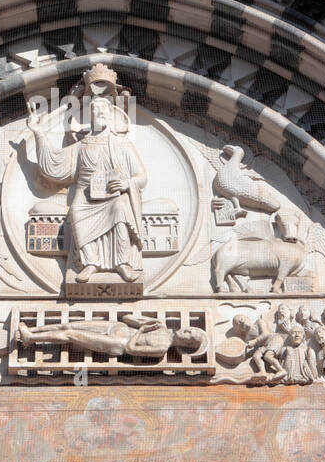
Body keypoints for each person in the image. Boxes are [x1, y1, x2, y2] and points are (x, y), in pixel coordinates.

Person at [27, 90, 147, 283]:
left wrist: (127, 183)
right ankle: (90, 262)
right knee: (75, 211)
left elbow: (141, 177)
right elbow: (54, 165)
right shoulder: (82, 145)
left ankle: (123, 263)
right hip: (86, 196)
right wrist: (39, 132)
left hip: (114, 196)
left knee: (120, 209)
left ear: (111, 114)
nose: (100, 112)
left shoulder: (122, 144)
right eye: (96, 109)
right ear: (90, 115)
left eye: (104, 109)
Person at [17, 312, 203, 360]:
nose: (186, 331)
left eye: (189, 336)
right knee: (68, 324)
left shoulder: (161, 349)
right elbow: (126, 317)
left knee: (71, 334)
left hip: (118, 343)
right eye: (189, 329)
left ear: (186, 345)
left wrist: (141, 332)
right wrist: (142, 323)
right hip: (118, 327)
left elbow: (131, 350)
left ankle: (30, 339)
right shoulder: (160, 325)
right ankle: (32, 330)